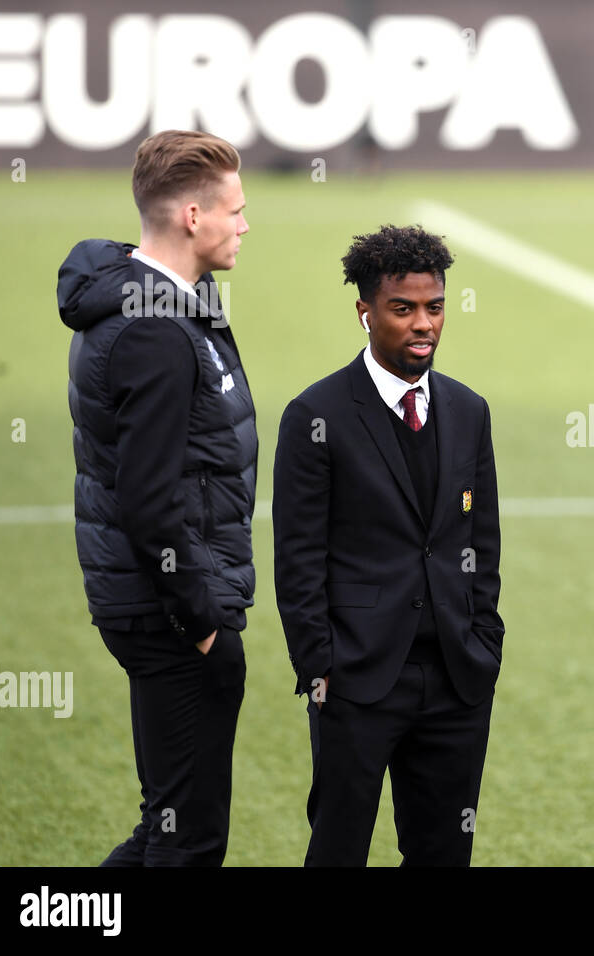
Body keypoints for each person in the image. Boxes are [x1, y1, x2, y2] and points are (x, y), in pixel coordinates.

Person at [273, 224, 503, 866]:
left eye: (434, 307)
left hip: (457, 678)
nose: (422, 324)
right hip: (356, 678)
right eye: (403, 309)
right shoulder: (315, 413)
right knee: (339, 850)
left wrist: (484, 640)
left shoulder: (468, 409)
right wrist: (319, 665)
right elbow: (296, 556)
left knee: (443, 854)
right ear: (365, 312)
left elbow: (481, 544)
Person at [57, 129, 254, 865]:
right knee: (188, 839)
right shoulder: (153, 329)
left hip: (155, 603)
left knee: (164, 828)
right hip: (171, 611)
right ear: (193, 217)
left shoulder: (154, 301)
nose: (245, 223)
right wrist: (205, 624)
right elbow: (148, 499)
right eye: (234, 209)